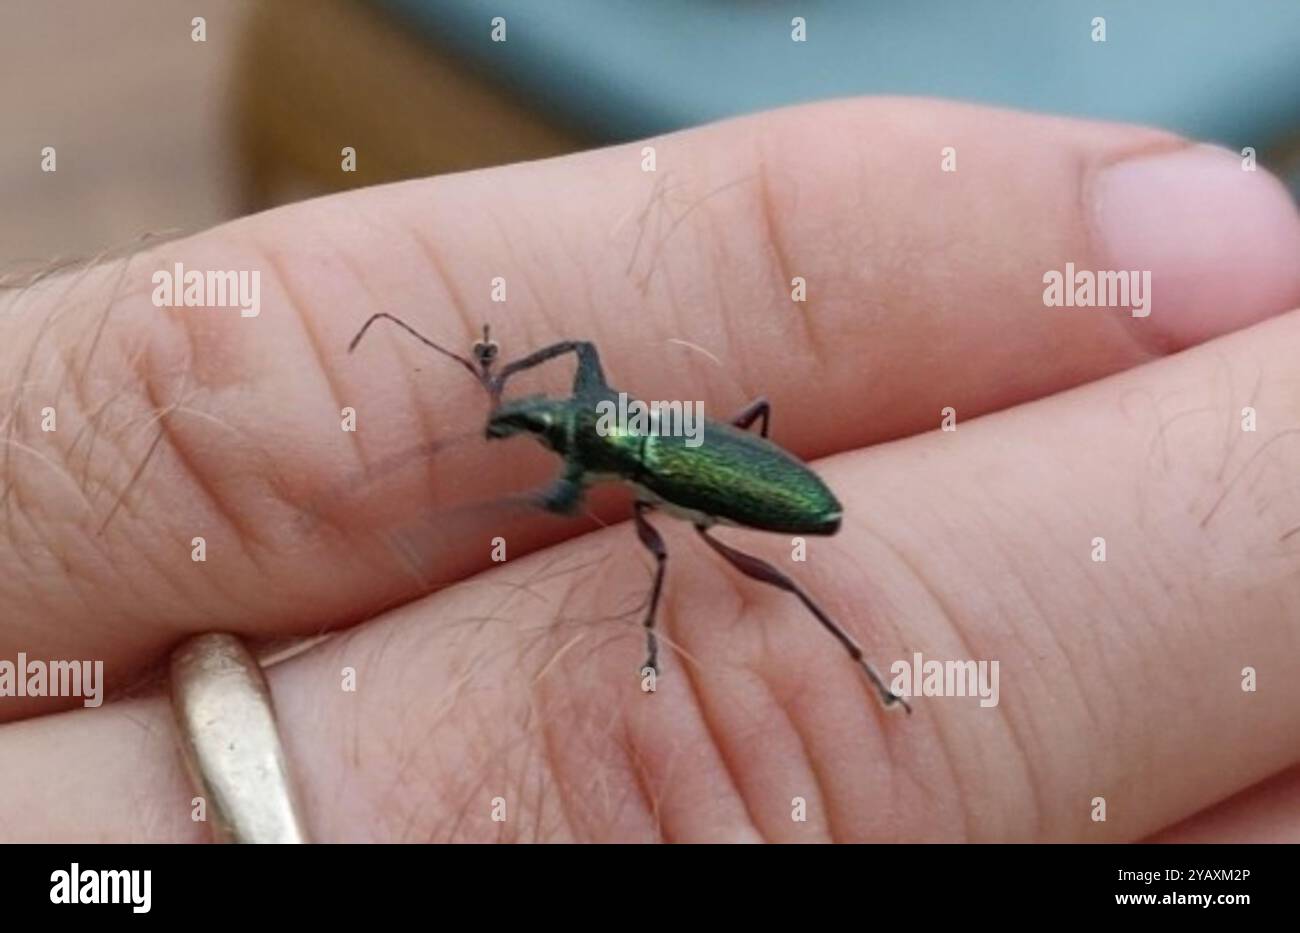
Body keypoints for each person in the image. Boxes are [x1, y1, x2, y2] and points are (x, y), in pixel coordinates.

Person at [2, 98, 1299, 842]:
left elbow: (567, 482)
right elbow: (559, 441)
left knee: (734, 578)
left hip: (757, 484)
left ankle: (864, 666)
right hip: (718, 455)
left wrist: (578, 546)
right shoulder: (600, 418)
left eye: (549, 429)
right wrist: (510, 412)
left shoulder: (614, 445)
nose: (546, 438)